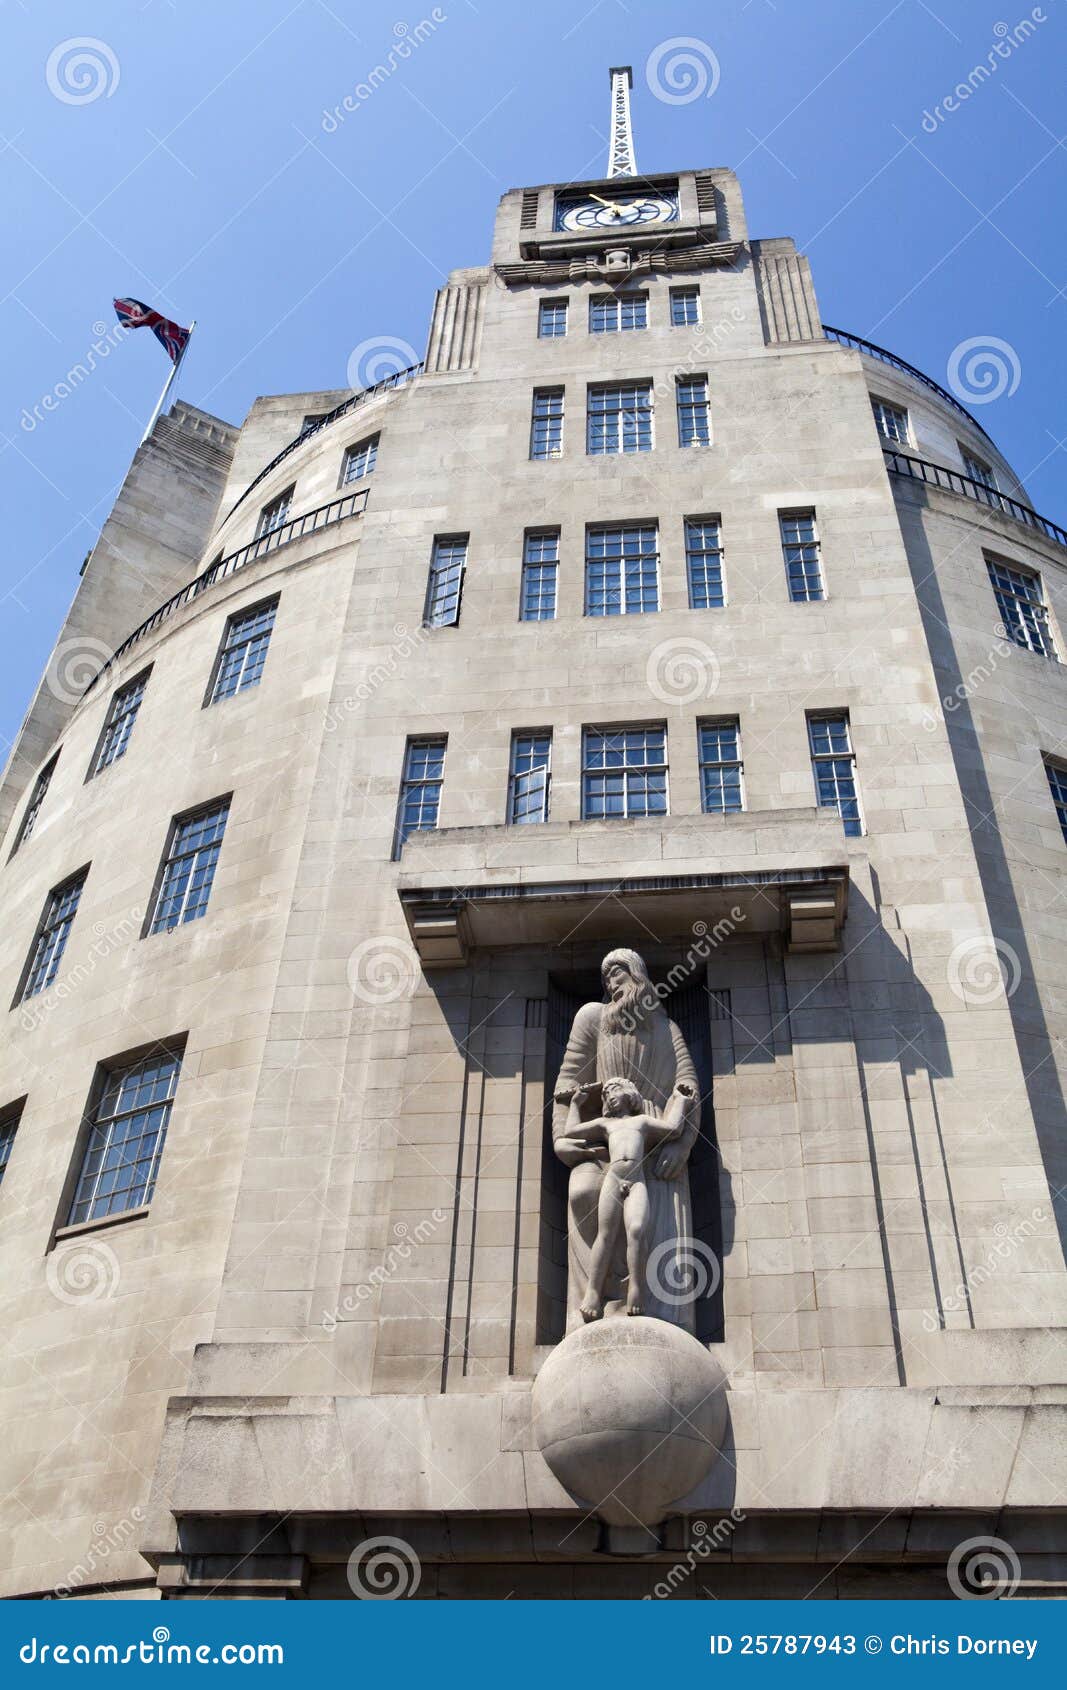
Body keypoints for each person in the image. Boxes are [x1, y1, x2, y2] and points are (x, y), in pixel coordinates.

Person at [556, 1077, 696, 1320]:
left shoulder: (641, 1121)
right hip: (613, 1179)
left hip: (636, 1179)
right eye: (606, 1093)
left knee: (637, 1229)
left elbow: (673, 1129)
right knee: (605, 1234)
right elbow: (571, 1131)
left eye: (615, 1090)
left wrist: (680, 1100)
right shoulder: (605, 1124)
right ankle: (592, 1293)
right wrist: (577, 1103)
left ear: (629, 1093)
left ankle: (636, 1289)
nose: (609, 1096)